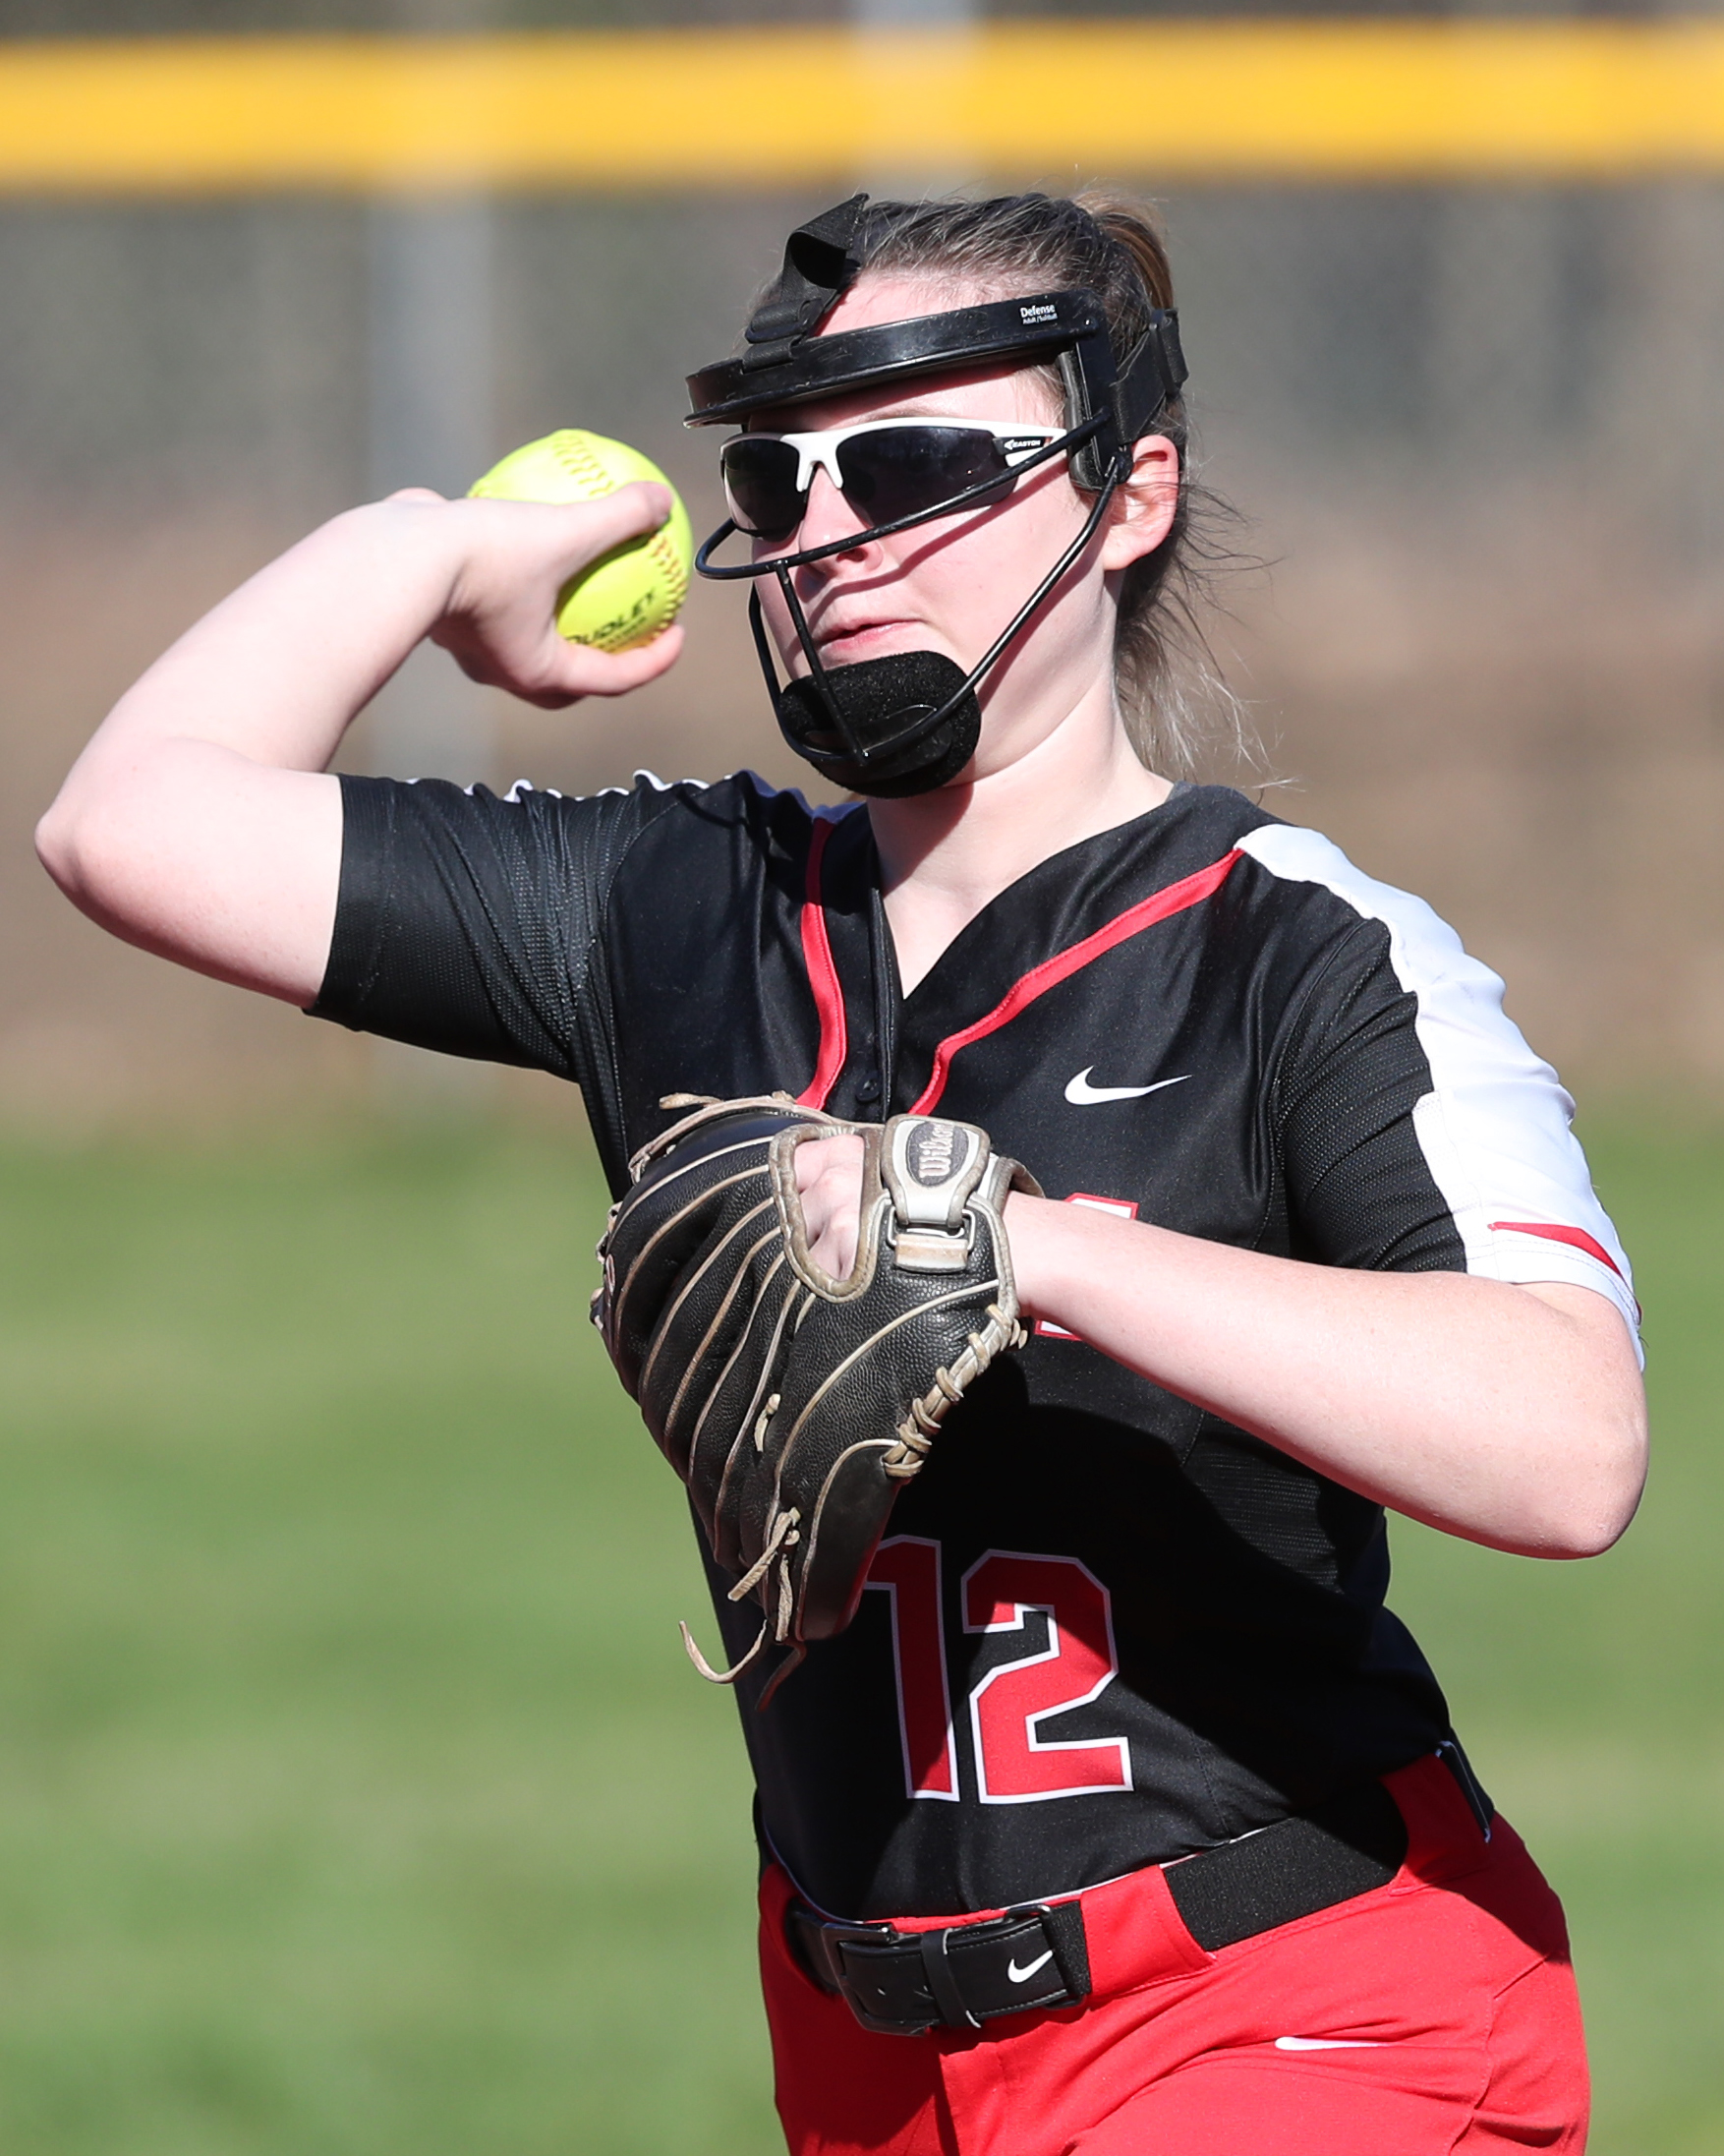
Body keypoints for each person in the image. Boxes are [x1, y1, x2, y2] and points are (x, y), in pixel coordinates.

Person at [38, 191, 1645, 2155]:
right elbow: (130, 822)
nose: (826, 536)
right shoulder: (682, 910)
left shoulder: (1295, 949)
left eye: (906, 463)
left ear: (1124, 496)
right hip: (869, 2043)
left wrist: (1006, 1238)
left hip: (1294, 2000)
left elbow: (1569, 1442)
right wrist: (434, 546)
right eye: (774, 483)